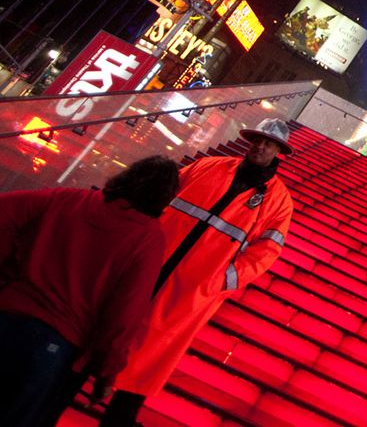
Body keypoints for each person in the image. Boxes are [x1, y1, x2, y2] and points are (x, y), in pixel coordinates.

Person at [99, 118, 295, 427]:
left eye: (268, 143)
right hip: (149, 264)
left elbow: (266, 252)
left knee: (153, 354)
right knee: (113, 323)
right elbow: (160, 194)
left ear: (279, 150)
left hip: (193, 289)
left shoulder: (279, 201)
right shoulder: (210, 166)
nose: (260, 146)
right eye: (257, 139)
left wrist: (220, 281)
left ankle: (118, 419)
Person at [0, 156, 179, 427]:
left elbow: (5, 211)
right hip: (56, 345)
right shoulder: (148, 240)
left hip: (7, 314)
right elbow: (125, 314)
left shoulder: (71, 199)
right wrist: (106, 375)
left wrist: (7, 271)